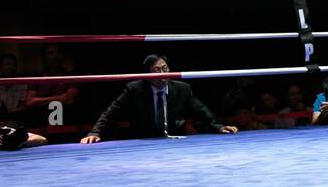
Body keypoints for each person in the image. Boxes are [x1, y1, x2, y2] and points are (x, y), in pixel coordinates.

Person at [81, 54, 237, 142]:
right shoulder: (134, 89)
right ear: (148, 75)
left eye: (165, 68)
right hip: (143, 144)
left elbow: (201, 110)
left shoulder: (182, 89)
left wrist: (219, 126)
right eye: (157, 70)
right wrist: (94, 133)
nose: (163, 74)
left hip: (175, 142)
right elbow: (111, 112)